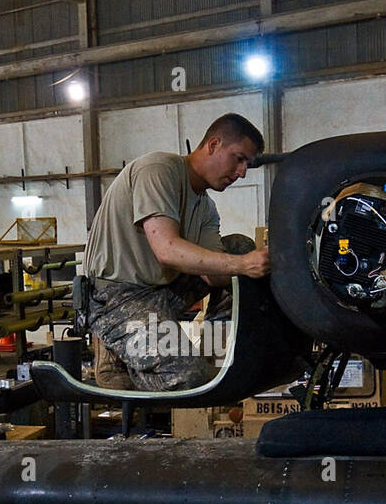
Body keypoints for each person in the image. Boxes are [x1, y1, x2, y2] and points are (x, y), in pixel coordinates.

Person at [83, 113, 271, 391]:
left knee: (239, 246)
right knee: (189, 379)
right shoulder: (159, 170)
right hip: (116, 296)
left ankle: (215, 350)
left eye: (248, 164)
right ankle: (117, 354)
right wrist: (243, 265)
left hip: (163, 291)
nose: (242, 172)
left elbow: (214, 276)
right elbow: (167, 250)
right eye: (239, 158)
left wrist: (265, 261)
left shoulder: (206, 207)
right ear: (213, 145)